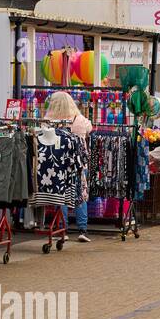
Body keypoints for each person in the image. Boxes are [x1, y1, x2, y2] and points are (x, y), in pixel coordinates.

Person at [45, 90, 94, 242]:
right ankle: (82, 230)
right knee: (80, 192)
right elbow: (89, 129)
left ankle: (62, 229)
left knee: (61, 195)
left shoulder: (48, 120)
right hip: (78, 162)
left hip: (56, 161)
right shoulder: (79, 119)